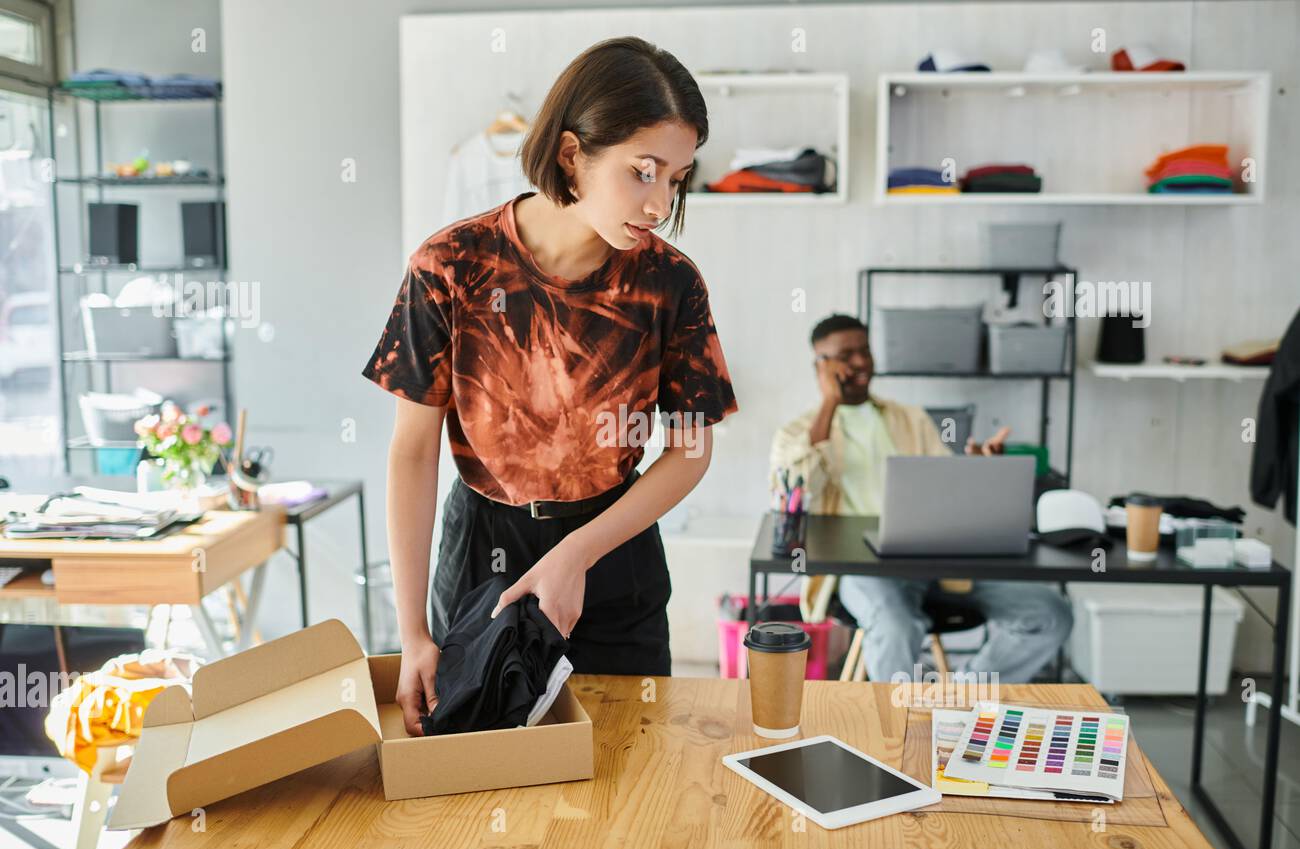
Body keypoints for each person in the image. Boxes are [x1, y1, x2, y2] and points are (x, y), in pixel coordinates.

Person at [363, 37, 739, 736]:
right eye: (643, 172)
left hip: (614, 552)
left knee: (627, 778)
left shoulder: (671, 284)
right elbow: (412, 453)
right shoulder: (449, 267)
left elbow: (690, 451)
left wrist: (577, 554)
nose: (660, 203)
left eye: (678, 179)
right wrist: (411, 631)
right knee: (482, 777)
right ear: (572, 154)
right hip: (482, 553)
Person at [769, 314, 1071, 684]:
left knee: (1050, 612)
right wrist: (830, 403)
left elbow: (945, 487)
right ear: (821, 365)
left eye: (865, 351)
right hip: (861, 571)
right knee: (897, 626)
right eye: (847, 356)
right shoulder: (797, 432)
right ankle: (901, 729)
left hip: (935, 561)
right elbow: (799, 485)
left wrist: (977, 470)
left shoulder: (909, 418)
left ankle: (961, 695)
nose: (862, 362)